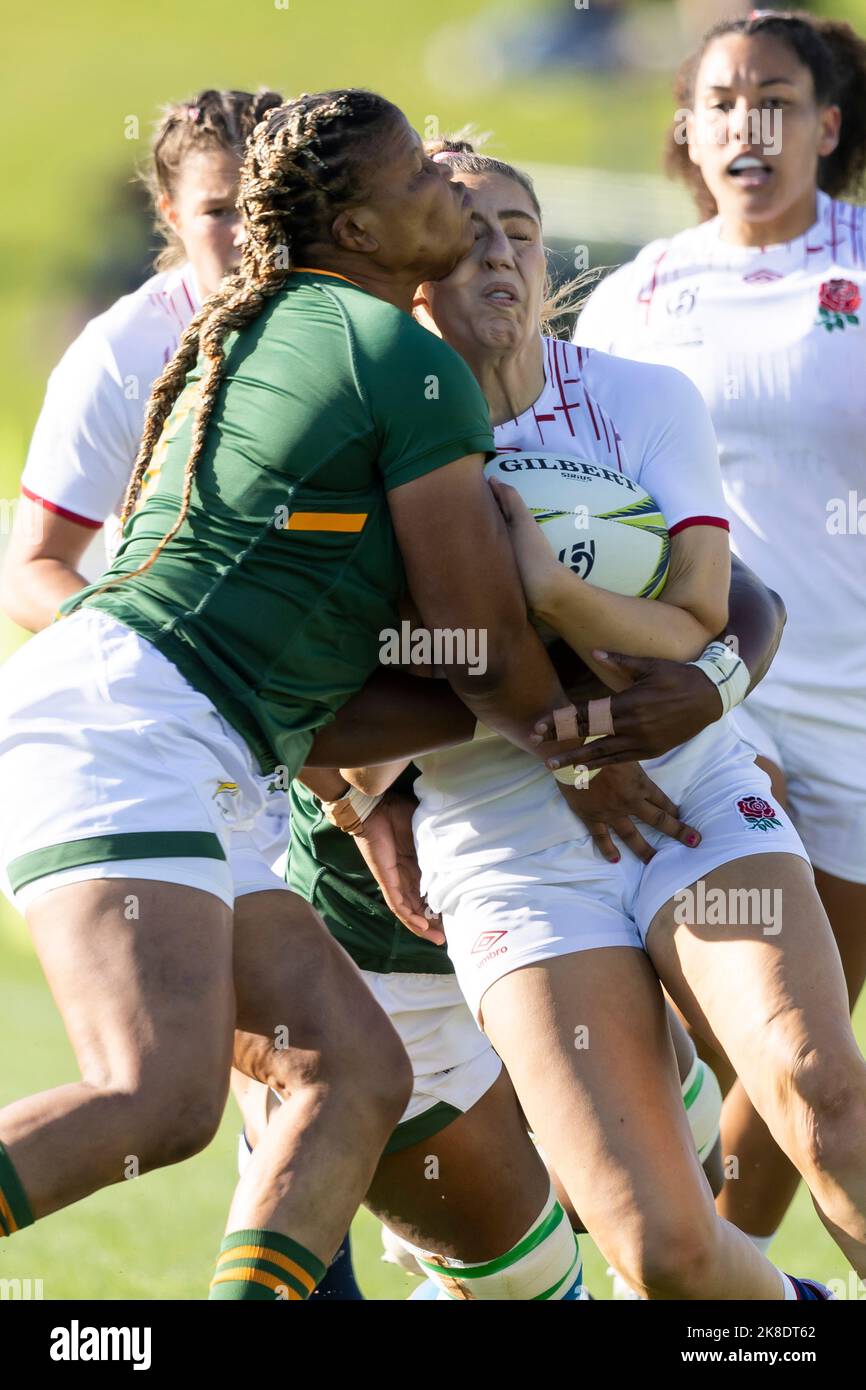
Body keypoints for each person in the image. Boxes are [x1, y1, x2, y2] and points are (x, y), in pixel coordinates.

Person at [0, 90, 574, 1299]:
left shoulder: (271, 325)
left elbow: (342, 709)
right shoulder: (397, 355)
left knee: (348, 1069)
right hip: (132, 724)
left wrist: (545, 704)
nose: (451, 195)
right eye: (420, 176)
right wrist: (609, 687)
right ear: (360, 230)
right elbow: (482, 647)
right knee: (152, 1097)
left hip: (186, 739)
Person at [297, 142, 862, 1298]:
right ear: (409, 274)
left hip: (687, 792)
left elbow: (714, 609)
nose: (497, 252)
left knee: (817, 1087)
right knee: (659, 1254)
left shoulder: (637, 395)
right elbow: (316, 697)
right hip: (504, 850)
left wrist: (580, 610)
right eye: (466, 233)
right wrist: (513, 745)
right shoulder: (351, 448)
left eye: (518, 227)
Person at [574, 10, 866, 1255]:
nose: (745, 125)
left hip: (857, 717)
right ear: (684, 129)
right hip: (713, 708)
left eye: (776, 99)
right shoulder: (634, 298)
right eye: (719, 100)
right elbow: (573, 497)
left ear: (825, 125)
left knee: (797, 1073)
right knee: (737, 1047)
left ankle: (698, 1290)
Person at [1, 88, 283, 625]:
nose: (248, 233)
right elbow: (32, 569)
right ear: (172, 213)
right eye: (219, 211)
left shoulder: (366, 318)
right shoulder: (119, 354)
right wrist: (152, 648)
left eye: (262, 205)